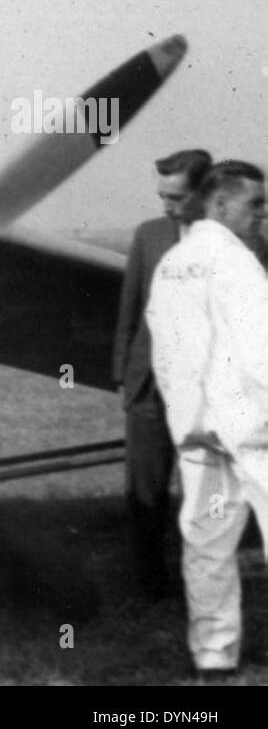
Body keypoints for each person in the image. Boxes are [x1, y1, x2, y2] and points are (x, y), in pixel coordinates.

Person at [146, 160, 268, 678]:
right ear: (220, 203)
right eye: (254, 204)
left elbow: (164, 350)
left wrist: (185, 414)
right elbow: (260, 350)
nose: (262, 214)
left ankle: (214, 653)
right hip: (249, 422)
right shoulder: (237, 262)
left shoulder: (173, 262)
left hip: (195, 423)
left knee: (207, 537)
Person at [112, 148, 212, 599]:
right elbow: (130, 305)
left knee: (206, 490)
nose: (167, 206)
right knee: (145, 487)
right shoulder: (148, 235)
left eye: (176, 197)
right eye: (162, 196)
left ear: (203, 193)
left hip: (205, 387)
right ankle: (149, 584)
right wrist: (124, 373)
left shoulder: (229, 242)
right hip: (148, 384)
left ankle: (203, 581)